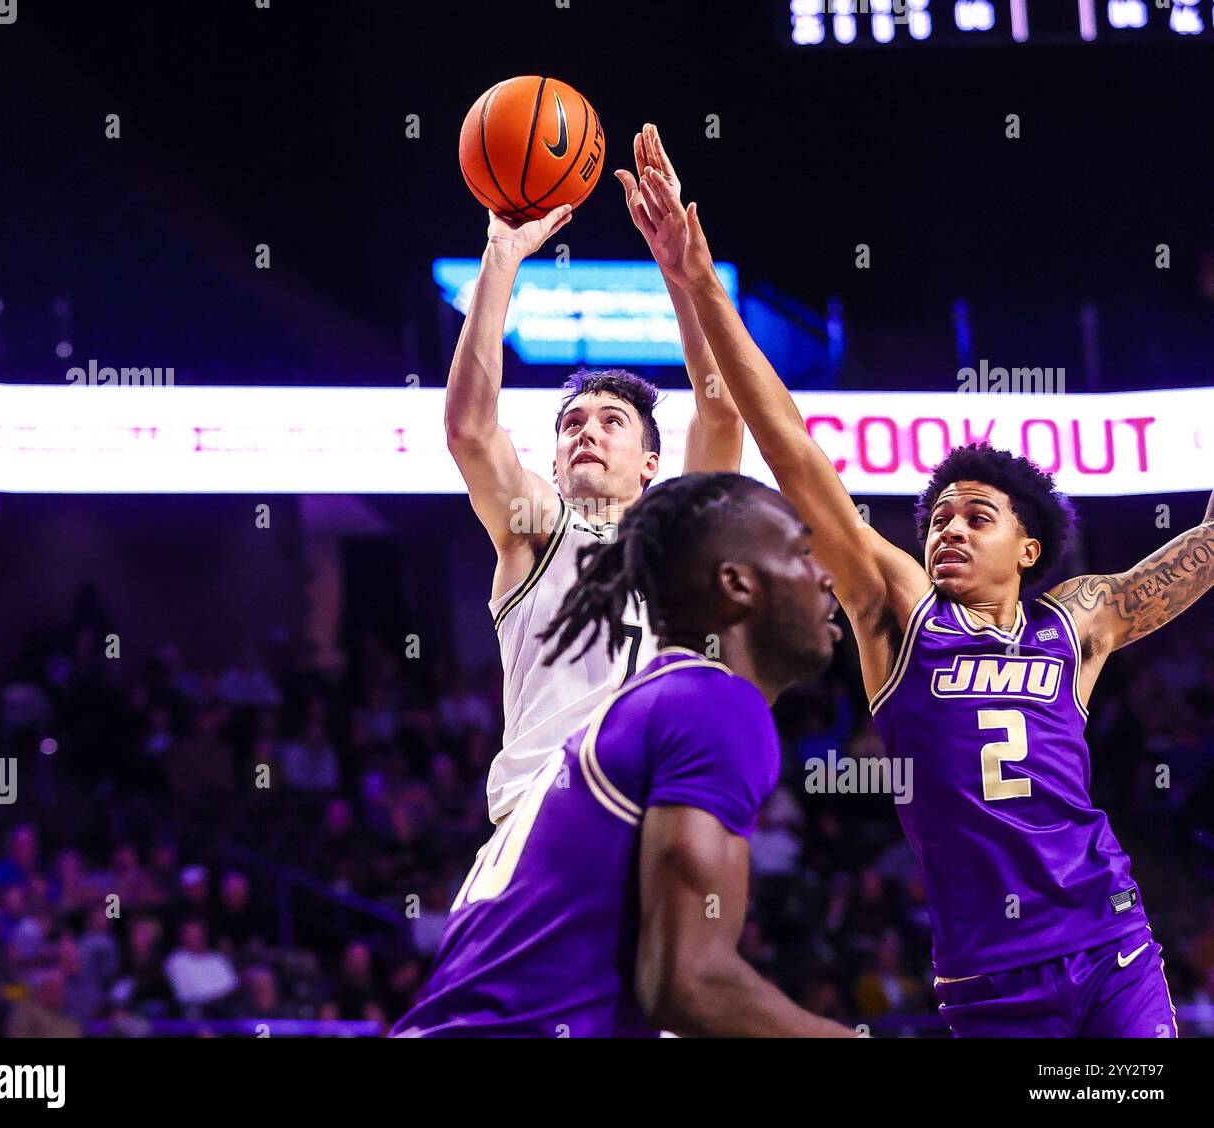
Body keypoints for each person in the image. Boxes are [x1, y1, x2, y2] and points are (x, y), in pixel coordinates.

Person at [635, 146, 1214, 1036]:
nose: (946, 528)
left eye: (975, 516)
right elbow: (791, 448)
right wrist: (700, 282)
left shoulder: (1076, 623)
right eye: (937, 515)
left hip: (1112, 946)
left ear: (1028, 549)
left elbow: (1202, 549)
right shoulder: (900, 609)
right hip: (991, 975)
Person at [391, 472, 853, 1037]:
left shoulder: (650, 706)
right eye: (802, 553)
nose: (825, 575)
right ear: (736, 584)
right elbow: (689, 986)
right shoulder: (712, 703)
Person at [444, 125, 743, 824]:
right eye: (573, 425)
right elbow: (468, 431)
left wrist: (681, 271)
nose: (588, 432)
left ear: (650, 464)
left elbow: (721, 411)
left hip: (656, 820)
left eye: (613, 422)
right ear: (551, 463)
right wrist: (502, 255)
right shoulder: (537, 530)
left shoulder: (681, 537)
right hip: (541, 819)